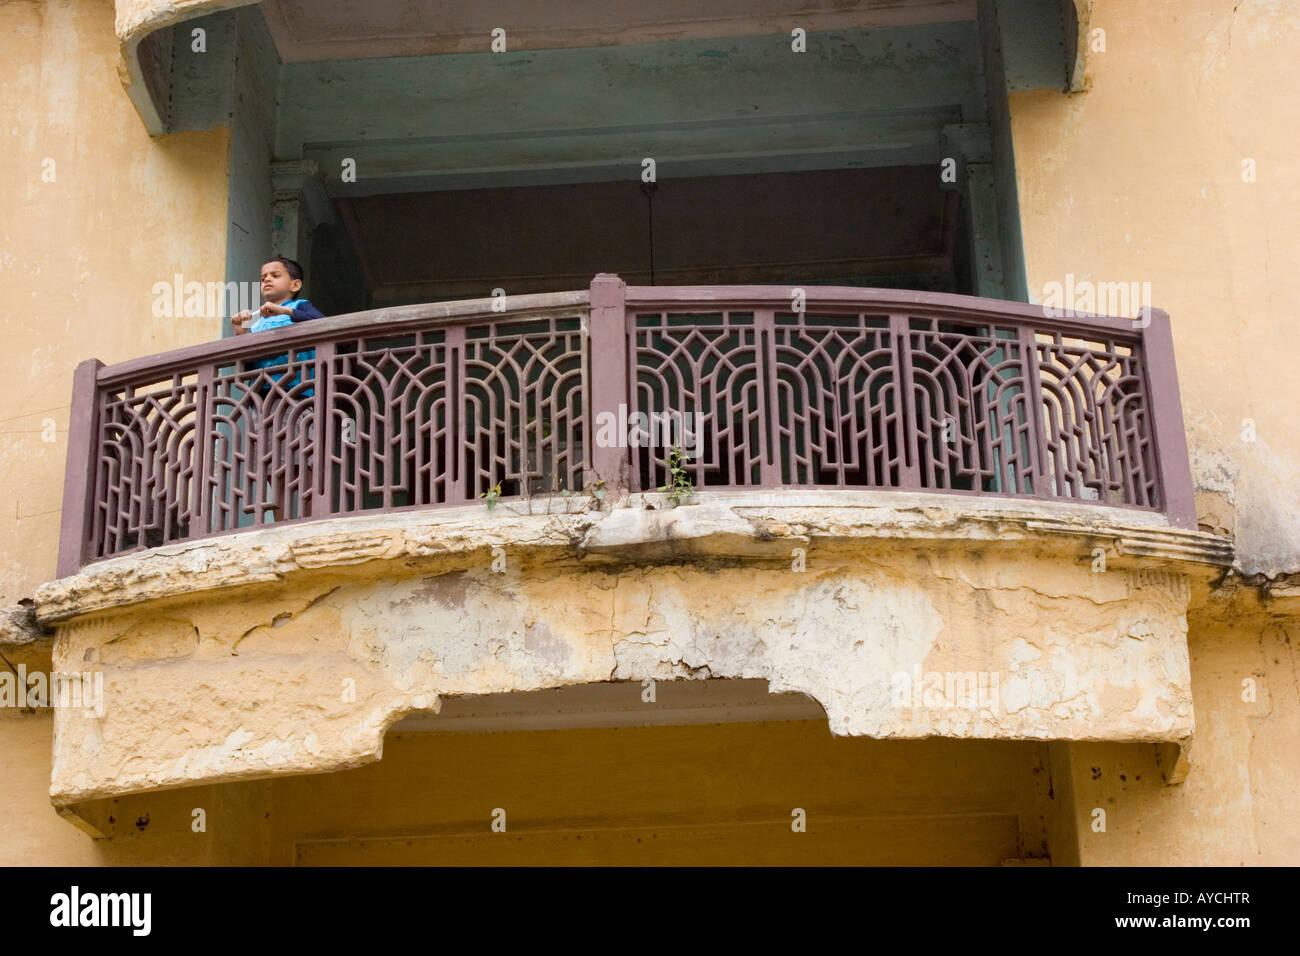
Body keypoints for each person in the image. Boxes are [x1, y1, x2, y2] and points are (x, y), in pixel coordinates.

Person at [231, 257, 326, 521]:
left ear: (295, 284)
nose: (267, 280)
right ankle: (283, 519)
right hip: (264, 400)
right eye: (263, 278)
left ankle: (306, 517)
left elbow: (322, 323)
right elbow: (247, 363)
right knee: (275, 463)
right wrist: (241, 331)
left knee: (302, 458)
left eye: (275, 275)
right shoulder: (258, 321)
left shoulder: (299, 307)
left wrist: (285, 312)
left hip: (297, 395)